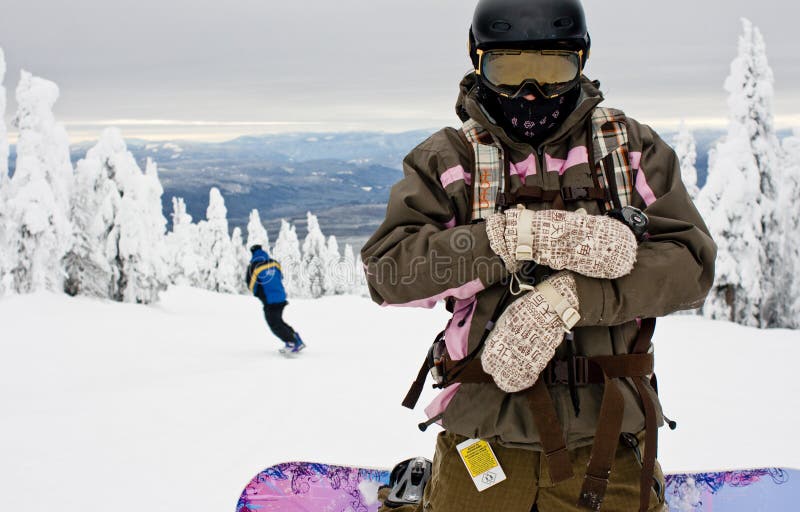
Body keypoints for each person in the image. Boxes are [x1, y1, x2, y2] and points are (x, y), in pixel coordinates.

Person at [361, 0, 716, 511]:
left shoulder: (628, 151)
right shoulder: (449, 160)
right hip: (483, 426)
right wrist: (508, 239)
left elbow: (691, 264)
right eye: (508, 70)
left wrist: (573, 296)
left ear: (582, 60)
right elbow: (388, 272)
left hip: (610, 430)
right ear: (477, 61)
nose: (531, 93)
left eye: (553, 69)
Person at [246, 245, 305, 354]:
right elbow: (280, 276)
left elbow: (251, 285)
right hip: (281, 296)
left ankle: (291, 342)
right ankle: (296, 339)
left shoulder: (253, 267)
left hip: (269, 300)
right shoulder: (274, 263)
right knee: (279, 321)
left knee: (274, 324)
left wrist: (258, 293)